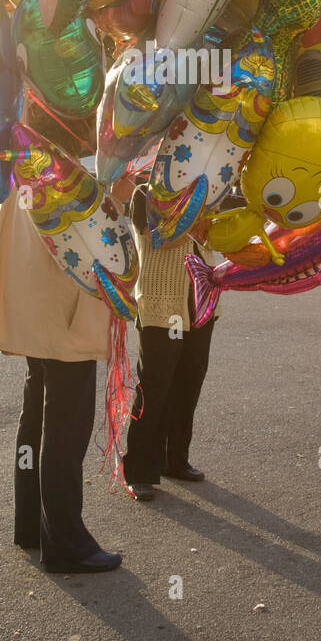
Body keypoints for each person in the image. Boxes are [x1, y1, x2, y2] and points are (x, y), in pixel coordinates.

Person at [0, 186, 121, 574]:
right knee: (65, 424)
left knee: (38, 410)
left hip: (34, 290)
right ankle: (66, 541)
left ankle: (33, 525)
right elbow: (92, 212)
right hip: (65, 291)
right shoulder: (68, 156)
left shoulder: (21, 148)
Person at [121, 184, 219, 503]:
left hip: (200, 303)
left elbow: (213, 239)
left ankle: (175, 460)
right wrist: (196, 214)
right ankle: (138, 471)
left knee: (189, 383)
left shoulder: (206, 192)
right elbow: (161, 237)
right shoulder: (143, 194)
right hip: (163, 304)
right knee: (155, 386)